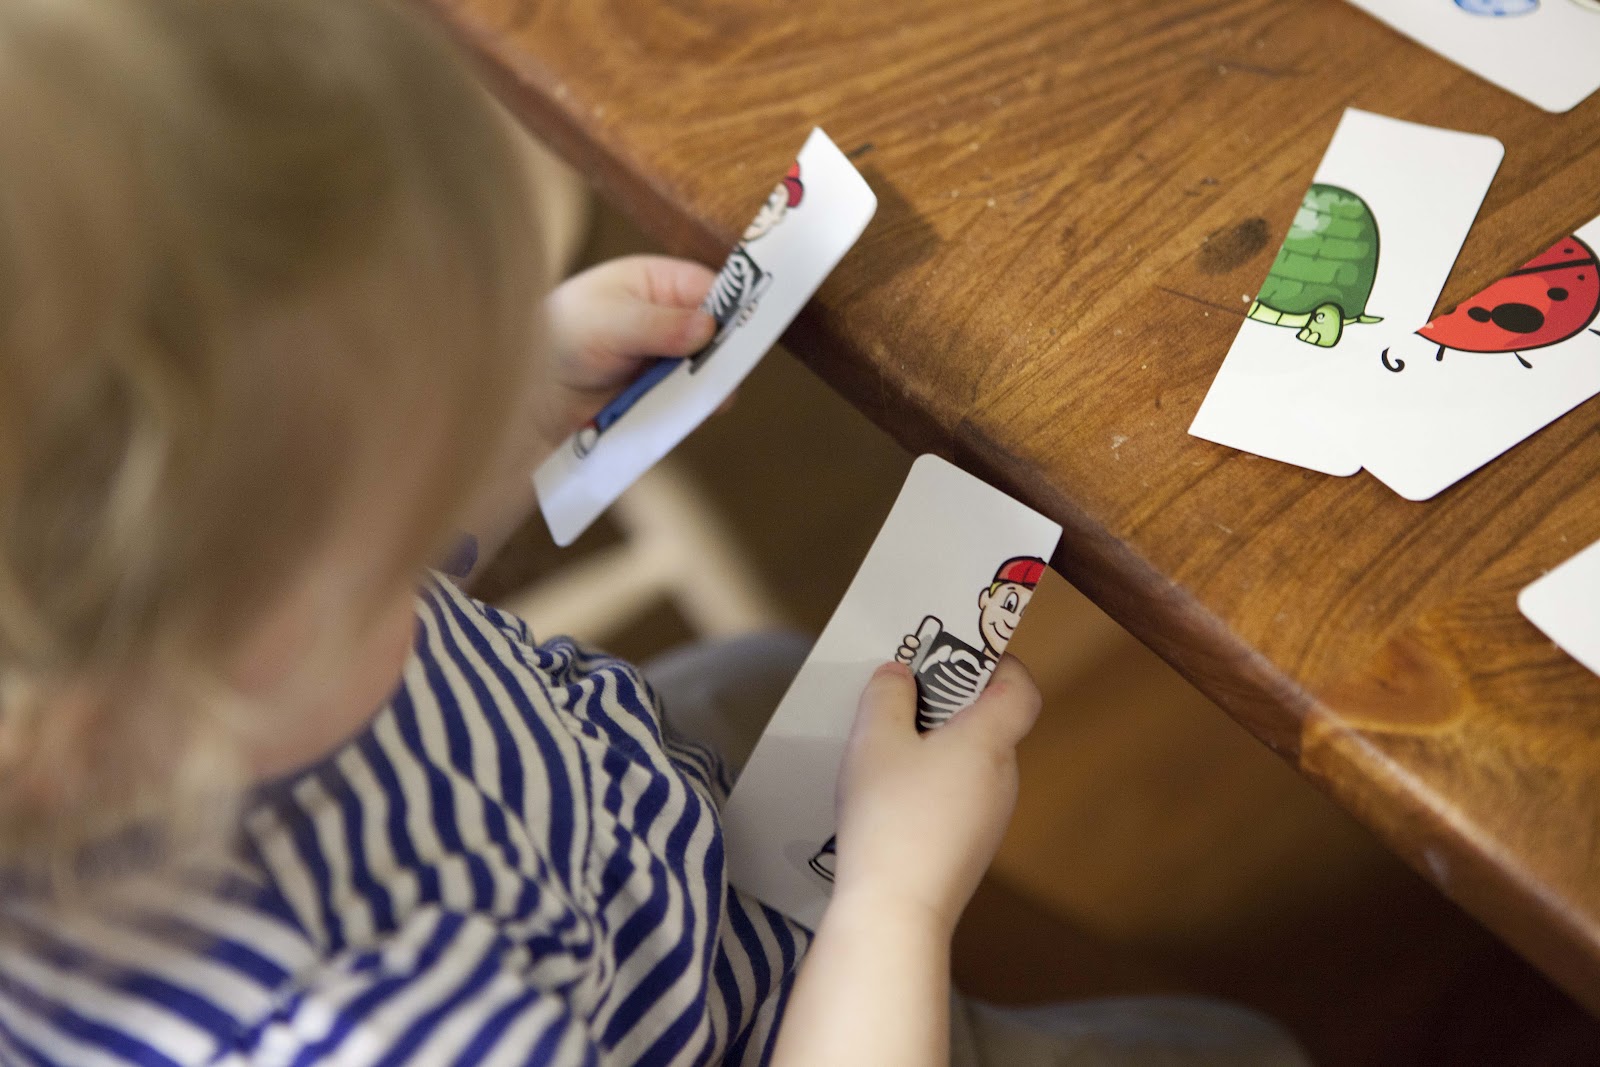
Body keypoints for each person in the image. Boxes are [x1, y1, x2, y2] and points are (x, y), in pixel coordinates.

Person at [0, 1, 1310, 1063]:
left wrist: (521, 401)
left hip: (607, 827)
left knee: (753, 676)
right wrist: (896, 907)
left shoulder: (155, 651)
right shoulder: (377, 1024)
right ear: (206, 667)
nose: (427, 522)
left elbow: (345, 557)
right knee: (1234, 1051)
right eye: (395, 523)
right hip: (776, 1026)